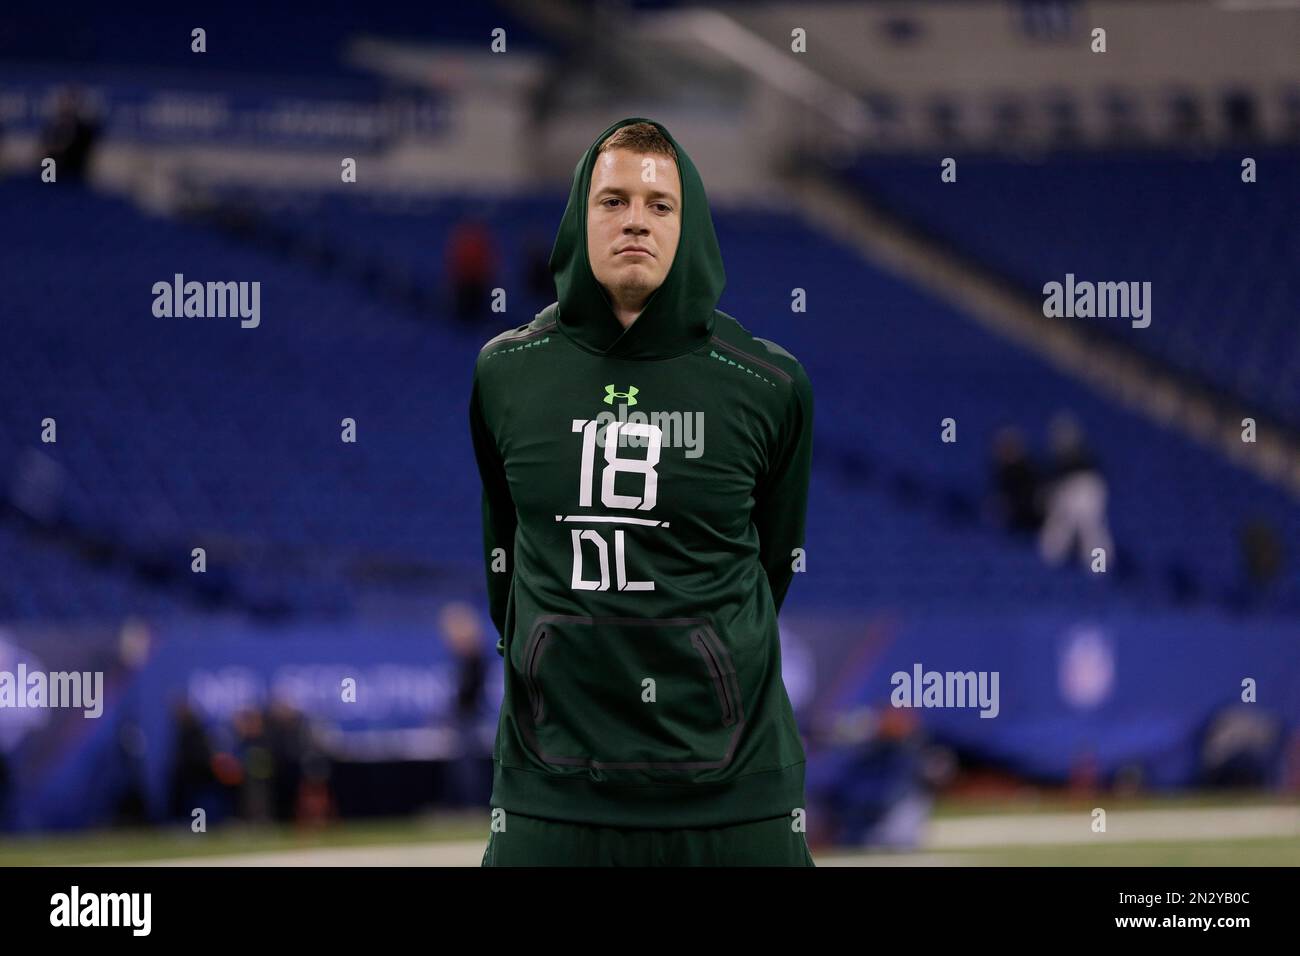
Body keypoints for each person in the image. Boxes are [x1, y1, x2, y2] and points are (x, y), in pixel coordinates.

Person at [470, 119, 814, 866]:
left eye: (660, 205)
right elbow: (505, 559)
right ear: (579, 217)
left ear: (688, 225)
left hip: (736, 792)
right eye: (613, 201)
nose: (635, 219)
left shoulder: (769, 385)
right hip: (548, 790)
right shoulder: (505, 373)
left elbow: (773, 564)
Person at [1037, 413, 1114, 568]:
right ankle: (1052, 565)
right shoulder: (1062, 458)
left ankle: (1098, 569)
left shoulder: (1082, 457)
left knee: (1086, 528)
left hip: (1082, 489)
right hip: (1084, 490)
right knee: (1084, 528)